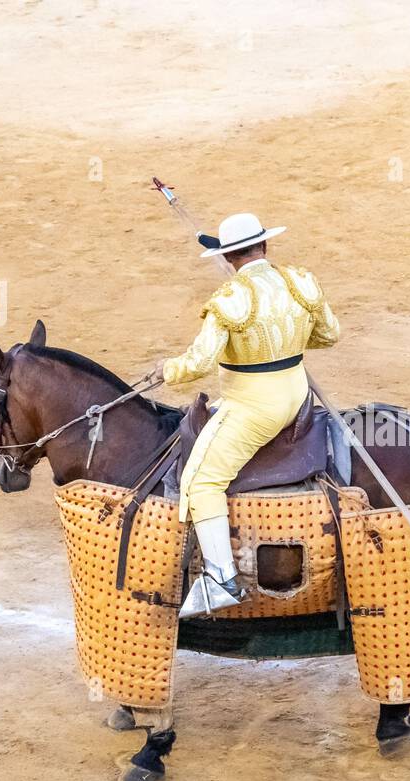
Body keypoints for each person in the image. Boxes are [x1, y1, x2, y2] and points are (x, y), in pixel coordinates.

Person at [153, 212, 340, 604]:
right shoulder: (300, 282)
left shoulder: (228, 300)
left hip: (255, 407)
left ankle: (221, 579)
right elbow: (329, 334)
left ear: (228, 258)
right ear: (265, 246)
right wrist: (288, 346)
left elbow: (201, 363)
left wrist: (167, 370)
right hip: (297, 394)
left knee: (201, 481)